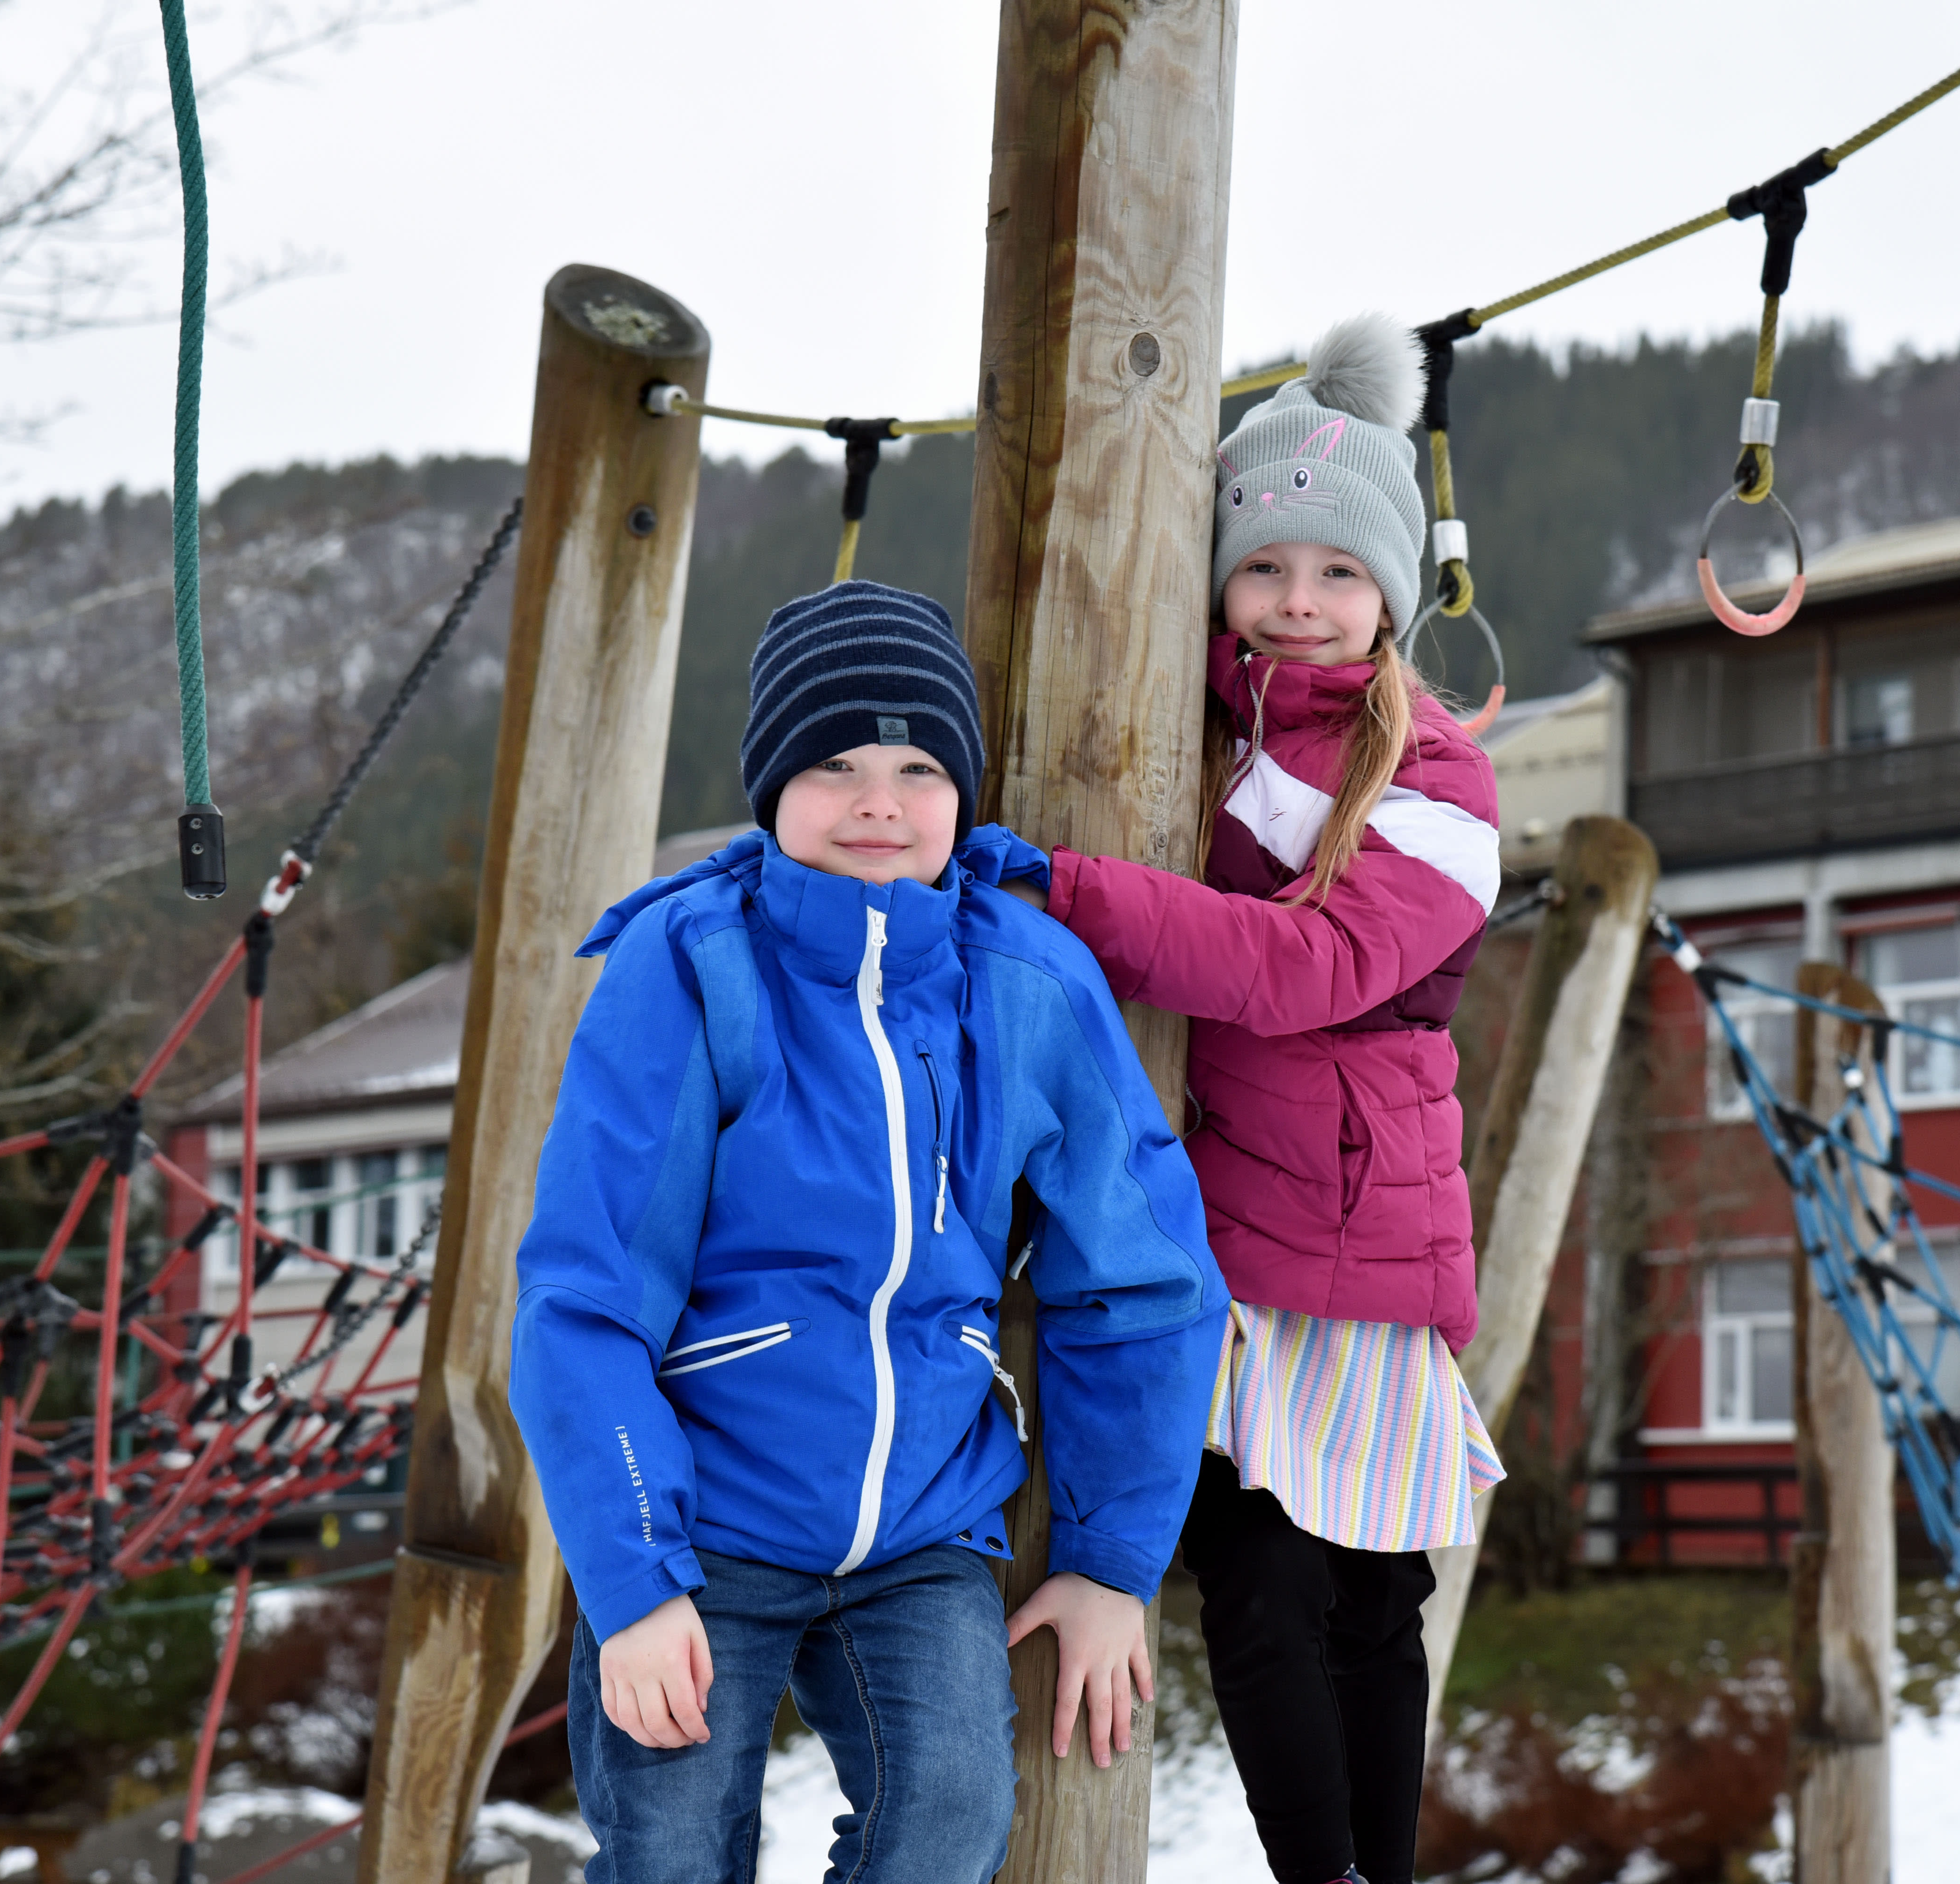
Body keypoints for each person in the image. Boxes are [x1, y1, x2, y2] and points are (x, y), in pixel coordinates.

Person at [510, 580, 1227, 1884]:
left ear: (962, 791)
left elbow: (1143, 1281)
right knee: (669, 1844)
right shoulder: (692, 967)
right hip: (703, 1521)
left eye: (916, 768)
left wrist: (1114, 1561)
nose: (880, 803)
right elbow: (587, 1300)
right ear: (774, 786)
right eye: (835, 765)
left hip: (922, 1530)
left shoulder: (1025, 980)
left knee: (951, 1814)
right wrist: (632, 1584)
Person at [1036, 314, 1507, 1884]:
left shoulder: (1436, 781)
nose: (1300, 604)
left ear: (1390, 597)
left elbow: (1304, 970)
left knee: (1362, 1598)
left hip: (1359, 1233)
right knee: (1252, 1575)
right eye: (1267, 569)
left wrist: (1075, 890)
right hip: (1225, 1227)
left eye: (1339, 576)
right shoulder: (1190, 727)